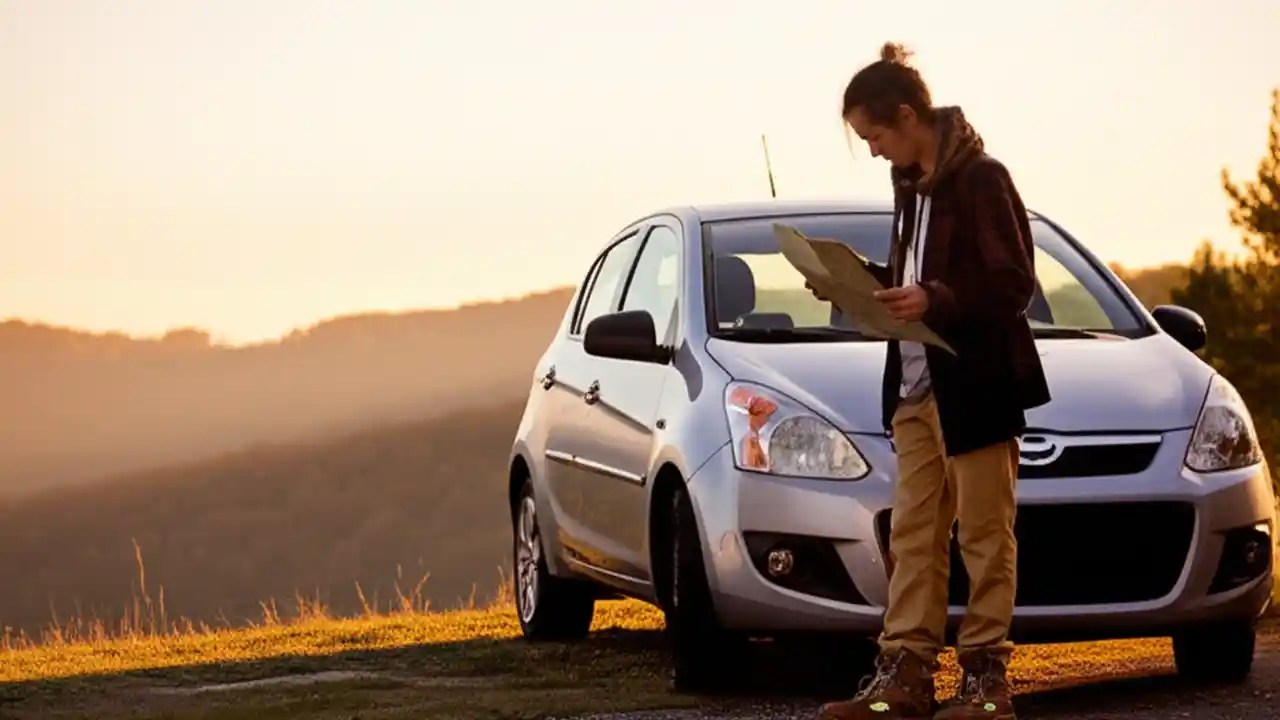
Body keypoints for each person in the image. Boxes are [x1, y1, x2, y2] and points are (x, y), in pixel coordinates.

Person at [813, 42, 1051, 720]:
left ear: (910, 116)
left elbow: (1011, 284)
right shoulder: (908, 191)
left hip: (977, 387)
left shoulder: (983, 180)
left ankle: (986, 683)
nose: (875, 151)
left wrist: (934, 298)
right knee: (913, 535)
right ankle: (905, 679)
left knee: (984, 533)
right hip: (916, 392)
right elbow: (916, 285)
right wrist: (856, 285)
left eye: (875, 135)